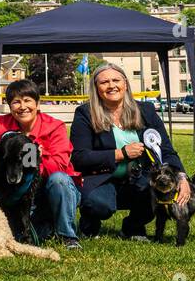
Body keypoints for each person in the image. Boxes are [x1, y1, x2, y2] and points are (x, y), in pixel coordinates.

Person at [71, 62, 188, 239]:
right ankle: (89, 224)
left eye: (116, 80)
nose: (111, 85)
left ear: (125, 83)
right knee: (98, 204)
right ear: (96, 87)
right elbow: (80, 157)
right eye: (104, 82)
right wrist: (121, 154)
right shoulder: (85, 113)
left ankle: (132, 227)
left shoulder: (146, 110)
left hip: (140, 178)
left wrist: (182, 177)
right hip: (101, 177)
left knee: (154, 196)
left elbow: (166, 150)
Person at [0, 78, 82, 249]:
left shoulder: (54, 127)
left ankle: (68, 236)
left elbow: (59, 165)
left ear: (37, 103)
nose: (22, 106)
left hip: (53, 188)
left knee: (58, 179)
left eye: (28, 100)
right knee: (30, 236)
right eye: (16, 102)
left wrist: (37, 159)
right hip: (21, 192)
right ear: (9, 106)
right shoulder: (2, 124)